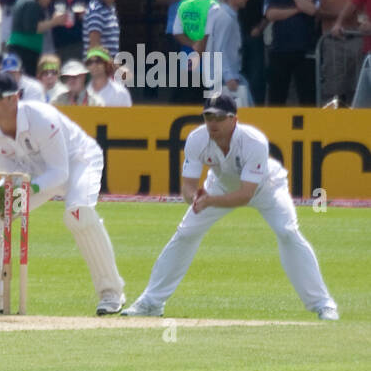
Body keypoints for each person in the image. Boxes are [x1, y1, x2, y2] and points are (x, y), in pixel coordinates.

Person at [123, 94, 337, 320]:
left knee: (287, 232)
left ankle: (323, 303)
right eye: (208, 117)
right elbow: (187, 187)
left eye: (219, 117)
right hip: (219, 186)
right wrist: (194, 198)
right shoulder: (197, 139)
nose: (212, 123)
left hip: (267, 187)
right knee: (186, 233)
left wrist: (209, 200)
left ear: (233, 120)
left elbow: (246, 194)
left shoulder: (254, 141)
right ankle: (151, 303)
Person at [0, 72, 125, 316]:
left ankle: (111, 292)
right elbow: (11, 174)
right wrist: (11, 192)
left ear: (14, 98)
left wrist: (30, 187)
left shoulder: (41, 118)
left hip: (78, 161)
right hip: (31, 174)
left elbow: (60, 173)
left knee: (78, 214)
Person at [263, 0, 319, 105]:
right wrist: (298, 9)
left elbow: (312, 10)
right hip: (279, 50)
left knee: (307, 98)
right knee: (277, 97)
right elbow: (271, 14)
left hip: (304, 51)